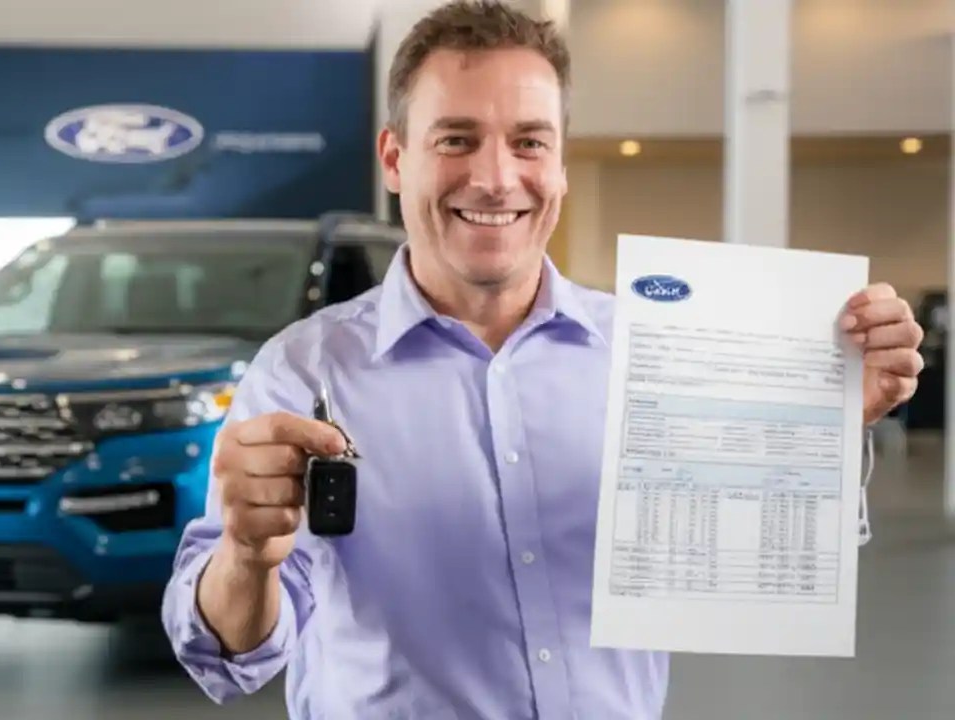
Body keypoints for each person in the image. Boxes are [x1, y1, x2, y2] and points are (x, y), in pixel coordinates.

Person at [160, 1, 926, 717]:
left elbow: (741, 564)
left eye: (529, 141)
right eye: (456, 138)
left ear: (559, 163)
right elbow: (231, 657)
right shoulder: (303, 372)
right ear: (395, 158)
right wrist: (247, 553)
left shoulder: (649, 352)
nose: (496, 177)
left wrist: (817, 417)